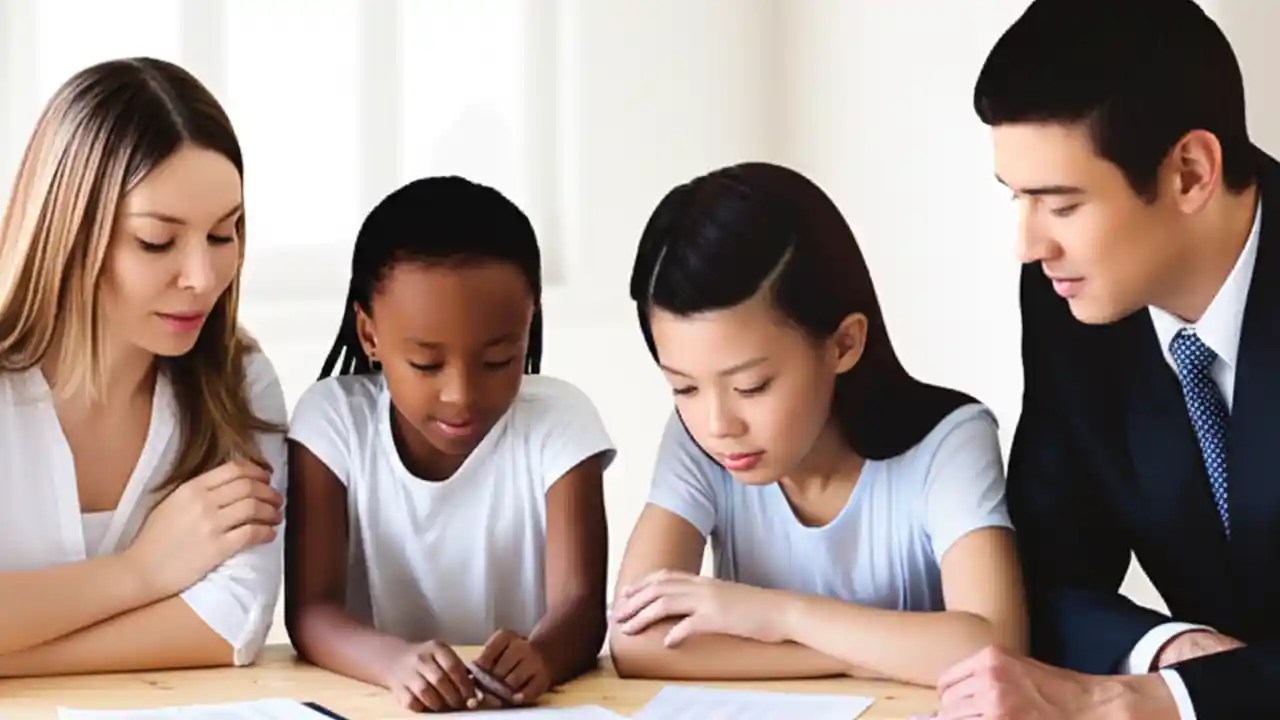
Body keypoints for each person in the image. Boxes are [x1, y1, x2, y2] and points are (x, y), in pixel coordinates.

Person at [934, 1, 1280, 718]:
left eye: (1060, 205)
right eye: (1017, 198)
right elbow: (1046, 571)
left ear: (1190, 171)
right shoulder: (1070, 303)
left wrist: (1174, 699)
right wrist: (1166, 650)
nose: (1028, 244)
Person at [608, 162, 1026, 685]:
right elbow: (635, 640)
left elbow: (995, 646)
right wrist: (855, 657)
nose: (718, 424)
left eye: (751, 386)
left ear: (843, 343)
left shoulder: (949, 442)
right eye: (684, 388)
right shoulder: (696, 442)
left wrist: (777, 615)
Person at [284, 177, 615, 713]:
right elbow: (311, 611)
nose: (461, 396)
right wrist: (394, 663)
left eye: (498, 361)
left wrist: (544, 657)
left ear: (528, 328)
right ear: (369, 335)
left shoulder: (560, 422)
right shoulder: (333, 422)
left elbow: (580, 606)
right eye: (426, 364)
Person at [0, 58, 287, 676]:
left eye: (223, 234)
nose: (202, 279)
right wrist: (144, 571)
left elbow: (230, 625)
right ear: (70, 231)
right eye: (157, 241)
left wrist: (15, 650)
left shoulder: (238, 382)